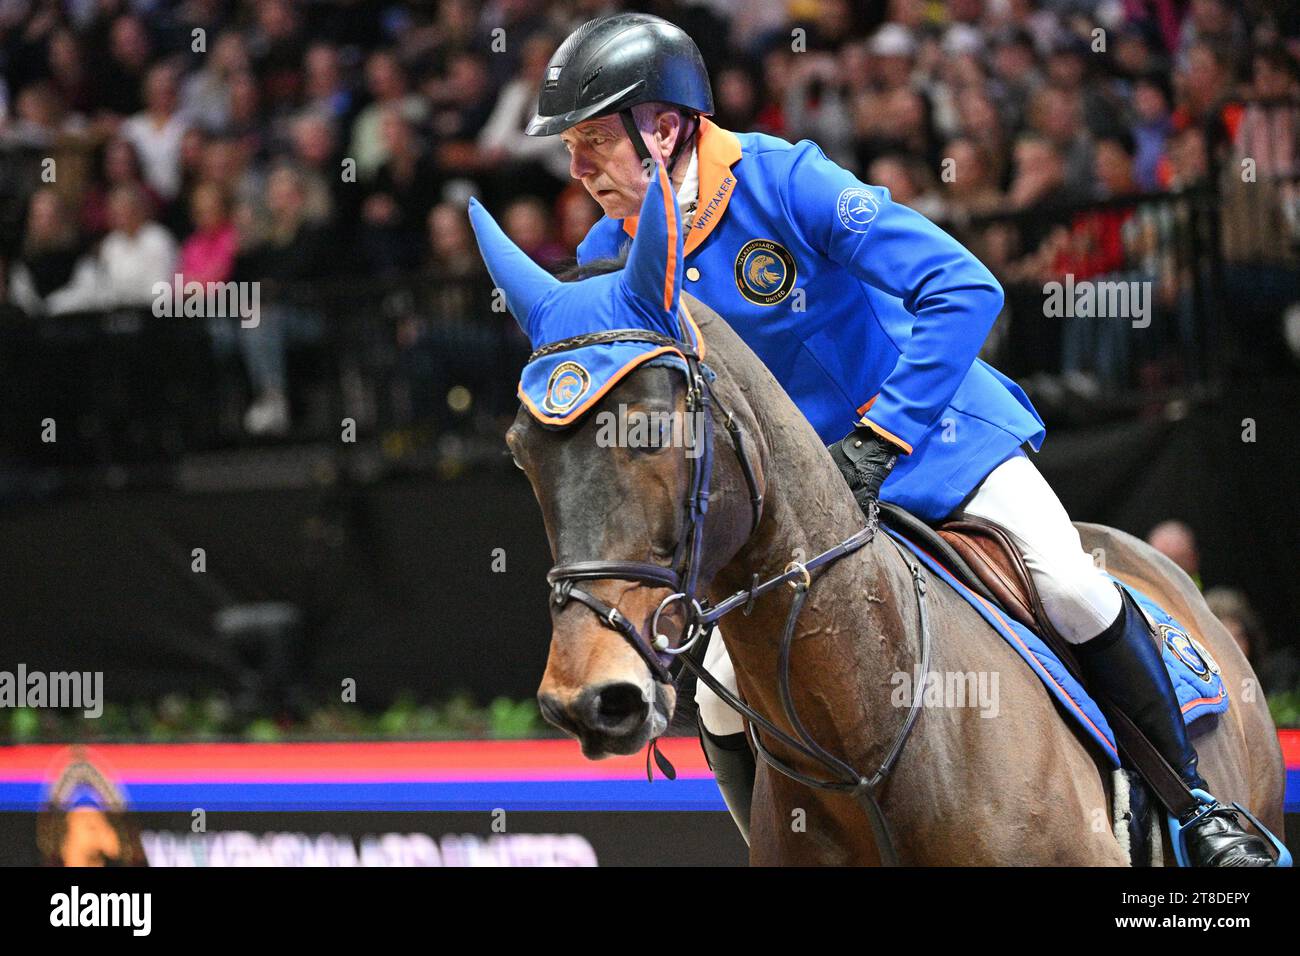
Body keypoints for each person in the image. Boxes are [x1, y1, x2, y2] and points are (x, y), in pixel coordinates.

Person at [523, 13, 1276, 866]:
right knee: (727, 692)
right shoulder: (606, 251)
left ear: (661, 127)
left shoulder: (786, 182)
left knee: (1067, 582)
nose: (576, 168)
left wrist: (882, 439)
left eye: (591, 141)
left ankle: (1197, 810)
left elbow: (966, 286)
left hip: (933, 441)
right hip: (807, 511)